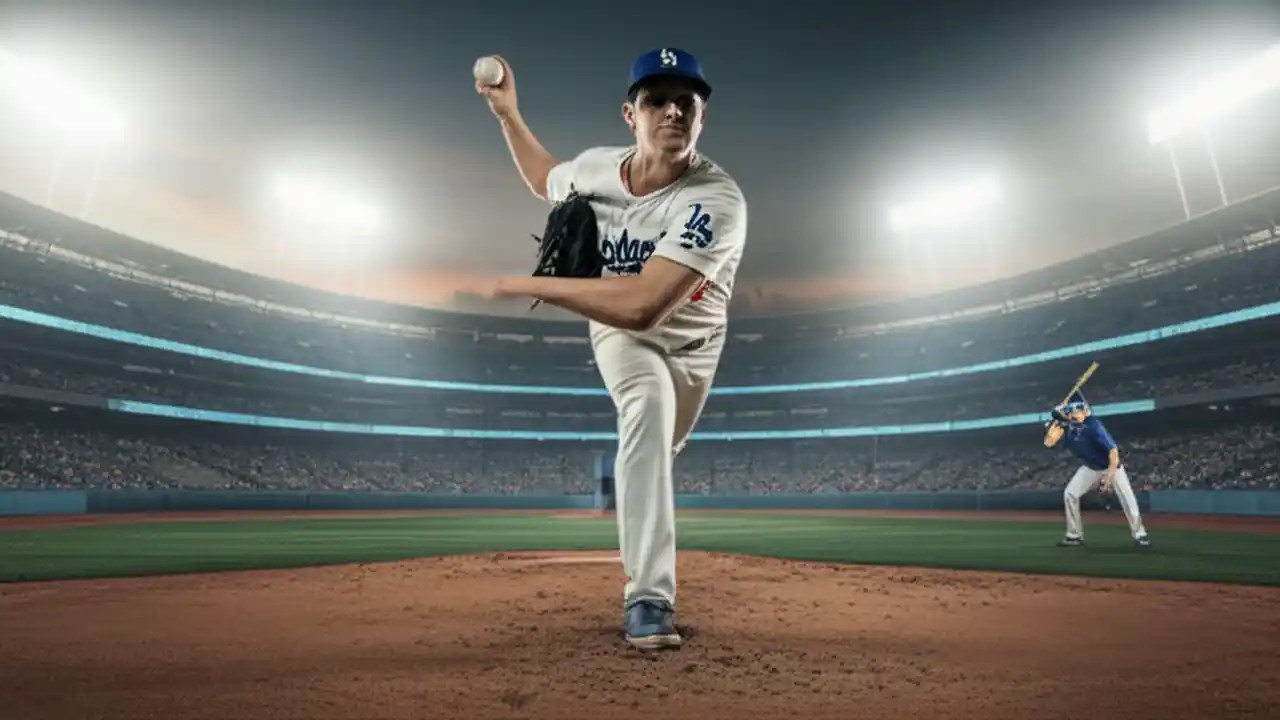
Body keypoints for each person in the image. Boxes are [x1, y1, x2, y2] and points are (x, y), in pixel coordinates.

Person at [476, 48, 748, 649]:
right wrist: (507, 114)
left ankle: (641, 494)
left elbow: (647, 303)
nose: (673, 111)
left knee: (661, 441)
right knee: (646, 406)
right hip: (621, 335)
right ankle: (649, 597)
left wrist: (530, 285)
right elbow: (545, 178)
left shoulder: (716, 200)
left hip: (695, 346)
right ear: (631, 114)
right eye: (657, 101)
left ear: (702, 116)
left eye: (687, 102)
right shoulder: (598, 169)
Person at [1043, 392, 1151, 548]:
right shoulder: (1066, 426)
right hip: (1090, 468)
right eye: (1077, 410)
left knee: (1128, 499)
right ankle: (1074, 535)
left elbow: (1113, 452)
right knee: (1070, 493)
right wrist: (1057, 421)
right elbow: (1048, 443)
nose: (1082, 412)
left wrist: (1108, 477)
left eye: (1082, 409)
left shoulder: (1093, 425)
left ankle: (1140, 534)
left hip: (1111, 466)